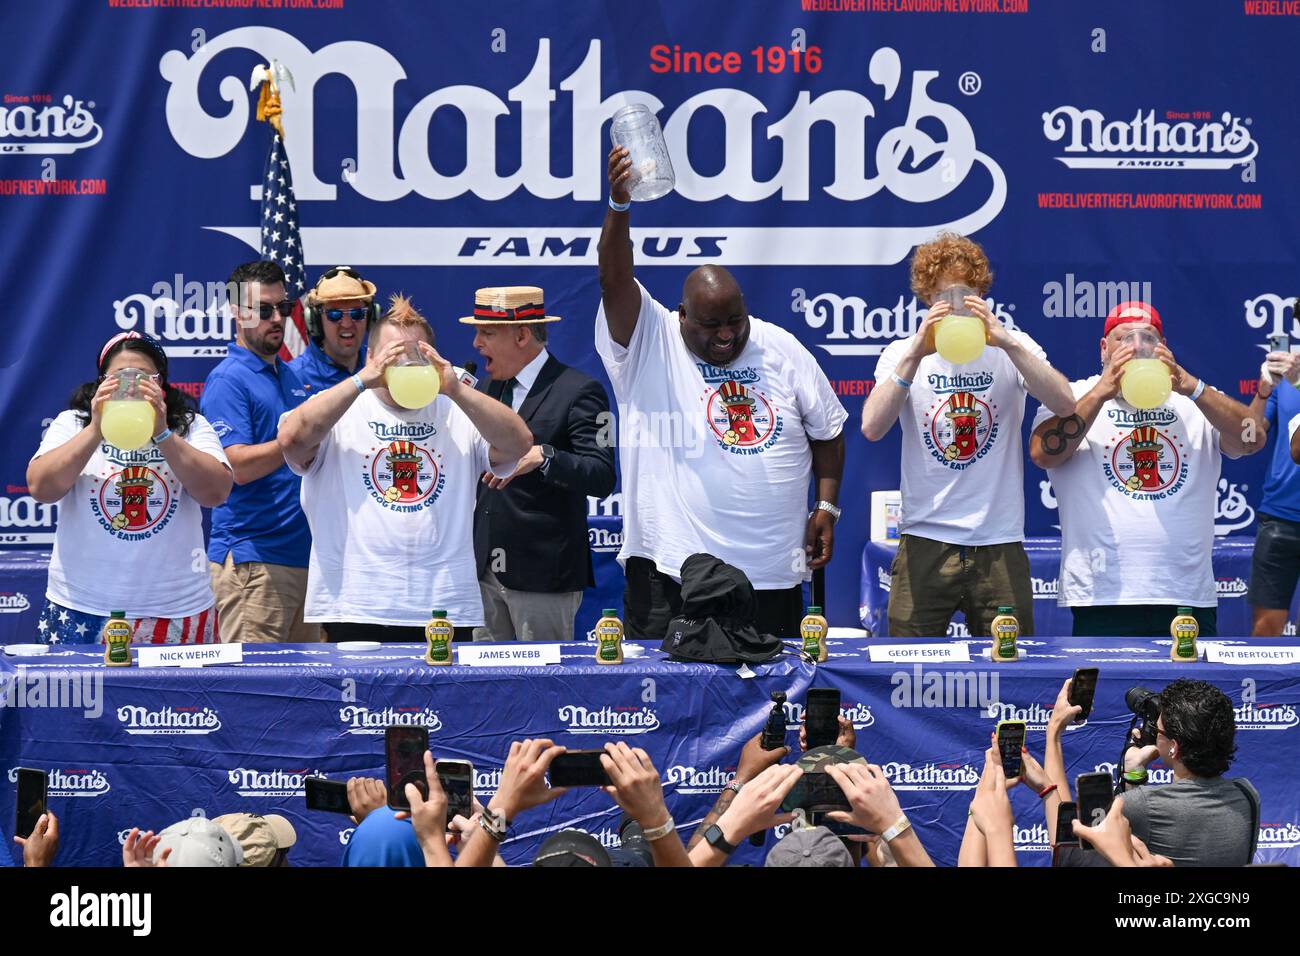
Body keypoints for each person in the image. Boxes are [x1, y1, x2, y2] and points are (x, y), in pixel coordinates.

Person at [597, 146, 848, 640]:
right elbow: (613, 278)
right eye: (711, 325)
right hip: (670, 575)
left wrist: (827, 507)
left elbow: (829, 433)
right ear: (681, 315)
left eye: (736, 320)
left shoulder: (781, 347)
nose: (727, 335)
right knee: (666, 707)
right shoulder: (650, 339)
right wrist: (619, 207)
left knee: (772, 707)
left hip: (771, 574)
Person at [278, 295, 531, 642]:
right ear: (370, 357)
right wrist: (363, 380)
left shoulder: (456, 411)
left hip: (443, 607)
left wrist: (454, 388)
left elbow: (519, 443)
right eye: (393, 355)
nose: (405, 364)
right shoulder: (338, 410)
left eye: (417, 355)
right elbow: (291, 439)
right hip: (355, 605)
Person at [862, 232, 1076, 638]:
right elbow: (872, 427)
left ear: (983, 291)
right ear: (927, 298)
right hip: (925, 538)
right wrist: (915, 354)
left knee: (1011, 665)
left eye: (967, 292)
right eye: (945, 295)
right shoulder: (902, 351)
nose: (956, 304)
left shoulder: (1013, 347)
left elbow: (1065, 404)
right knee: (910, 667)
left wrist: (1007, 341)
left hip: (998, 540)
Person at [1030, 302, 1265, 636]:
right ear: (1103, 348)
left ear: (1164, 346)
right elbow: (1042, 453)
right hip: (1103, 594)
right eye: (1123, 339)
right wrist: (1101, 392)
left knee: (1190, 690)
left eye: (1148, 338)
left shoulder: (1193, 402)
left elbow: (1252, 439)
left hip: (1185, 593)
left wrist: (1193, 387)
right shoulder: (1074, 397)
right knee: (1102, 689)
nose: (1137, 346)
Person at [27, 333, 232, 644]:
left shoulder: (190, 427)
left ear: (161, 384)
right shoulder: (73, 423)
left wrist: (162, 432)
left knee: (179, 694)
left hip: (177, 611)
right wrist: (97, 428)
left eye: (144, 378)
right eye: (119, 378)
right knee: (80, 693)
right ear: (101, 383)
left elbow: (216, 493)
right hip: (83, 607)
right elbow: (41, 487)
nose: (131, 387)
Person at [464, 286, 616, 642]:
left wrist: (547, 458)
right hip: (482, 575)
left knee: (541, 690)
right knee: (481, 694)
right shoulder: (483, 390)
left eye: (486, 332)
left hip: (543, 577)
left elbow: (602, 475)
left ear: (521, 335)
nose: (476, 343)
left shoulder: (579, 390)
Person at [202, 261, 314, 643]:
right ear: (236, 311)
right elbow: (236, 467)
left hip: (304, 558)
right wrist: (293, 443)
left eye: (283, 308)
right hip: (255, 560)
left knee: (308, 698)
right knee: (255, 695)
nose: (277, 318)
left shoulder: (293, 376)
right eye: (263, 310)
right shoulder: (228, 379)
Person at [1116, 678, 1259, 867]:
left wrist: (1133, 773)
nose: (1153, 733)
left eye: (1156, 729)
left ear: (1174, 747)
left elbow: (1094, 844)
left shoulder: (1141, 804)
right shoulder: (1247, 794)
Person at [1247, 342, 1300, 635]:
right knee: (1265, 631)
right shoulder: (1287, 375)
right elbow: (1249, 435)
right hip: (1280, 516)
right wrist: (1264, 388)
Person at [288, 265, 376, 393]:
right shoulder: (293, 377)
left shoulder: (382, 369)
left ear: (370, 317)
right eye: (334, 314)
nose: (347, 324)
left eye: (357, 313)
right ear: (315, 321)